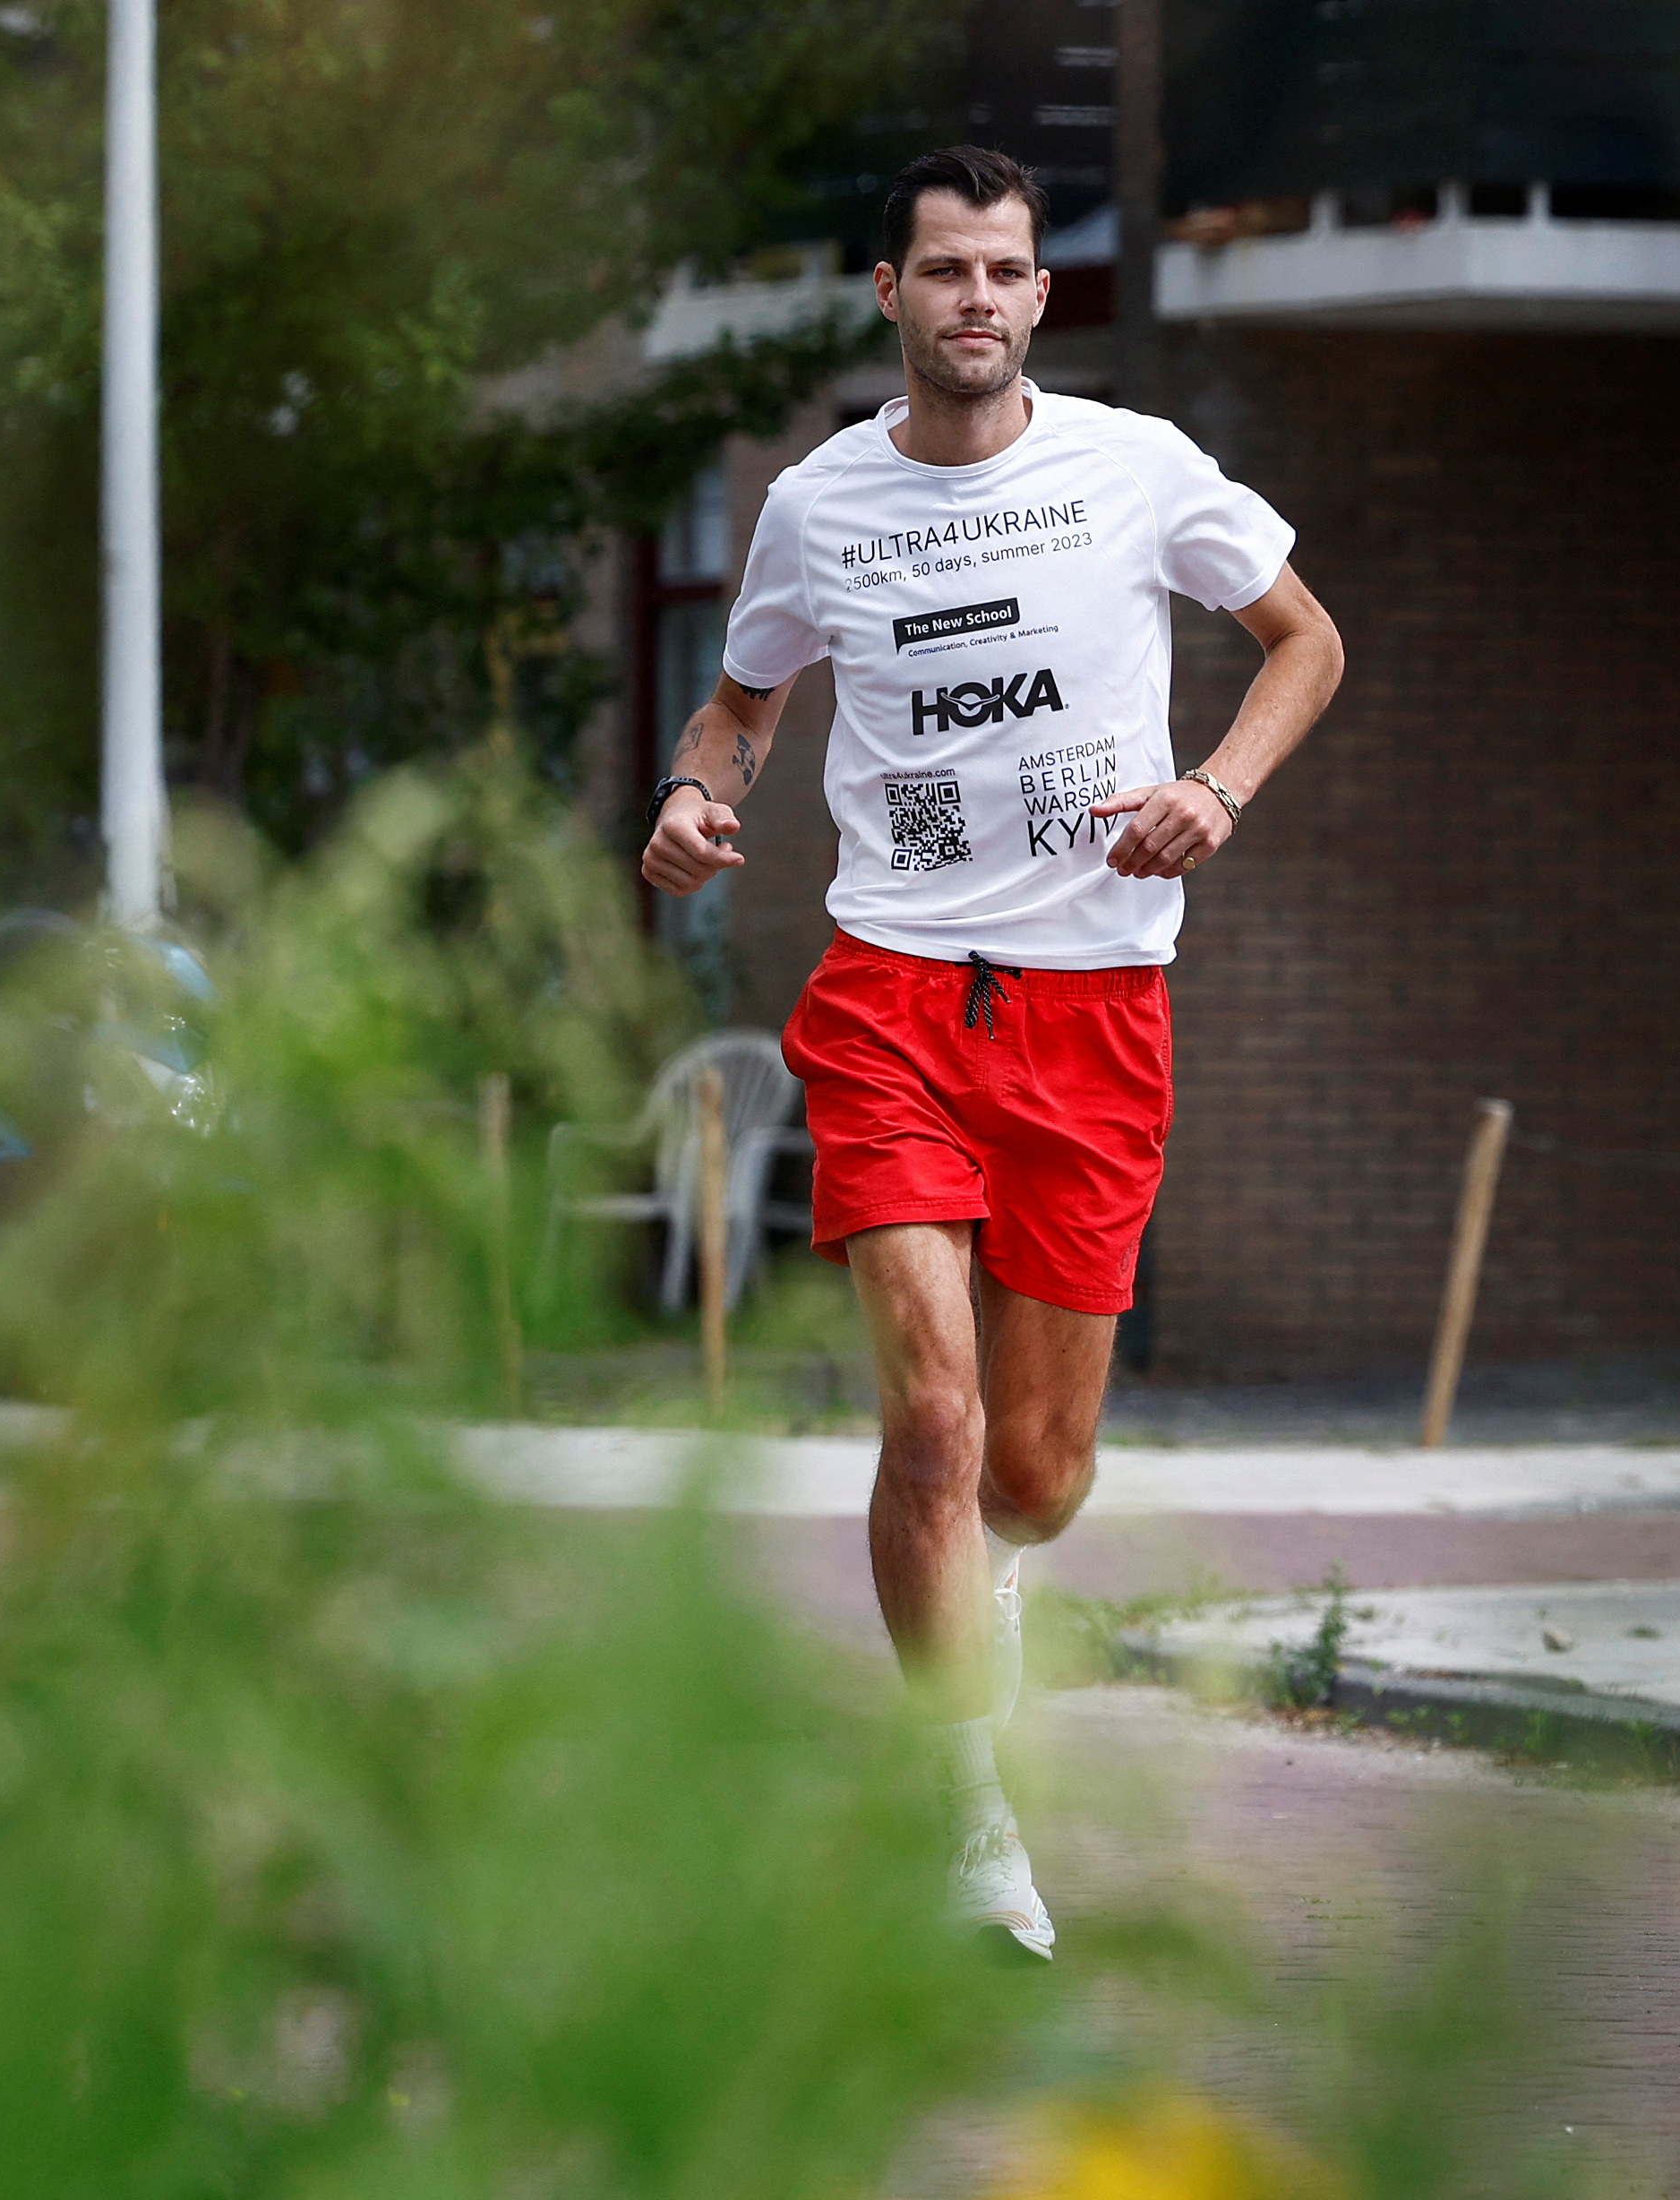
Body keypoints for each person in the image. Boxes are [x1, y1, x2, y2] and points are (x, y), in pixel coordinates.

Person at [638, 145, 1344, 1960]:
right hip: (892, 994)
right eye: (942, 269)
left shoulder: (1135, 468)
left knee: (1032, 1475)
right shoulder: (816, 504)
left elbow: (1303, 641)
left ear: (1038, 294)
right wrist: (695, 794)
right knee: (934, 1421)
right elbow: (739, 701)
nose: (974, 298)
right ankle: (966, 1821)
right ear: (890, 293)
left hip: (1094, 1004)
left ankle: (985, 1583)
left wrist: (1213, 789)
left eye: (1002, 270)